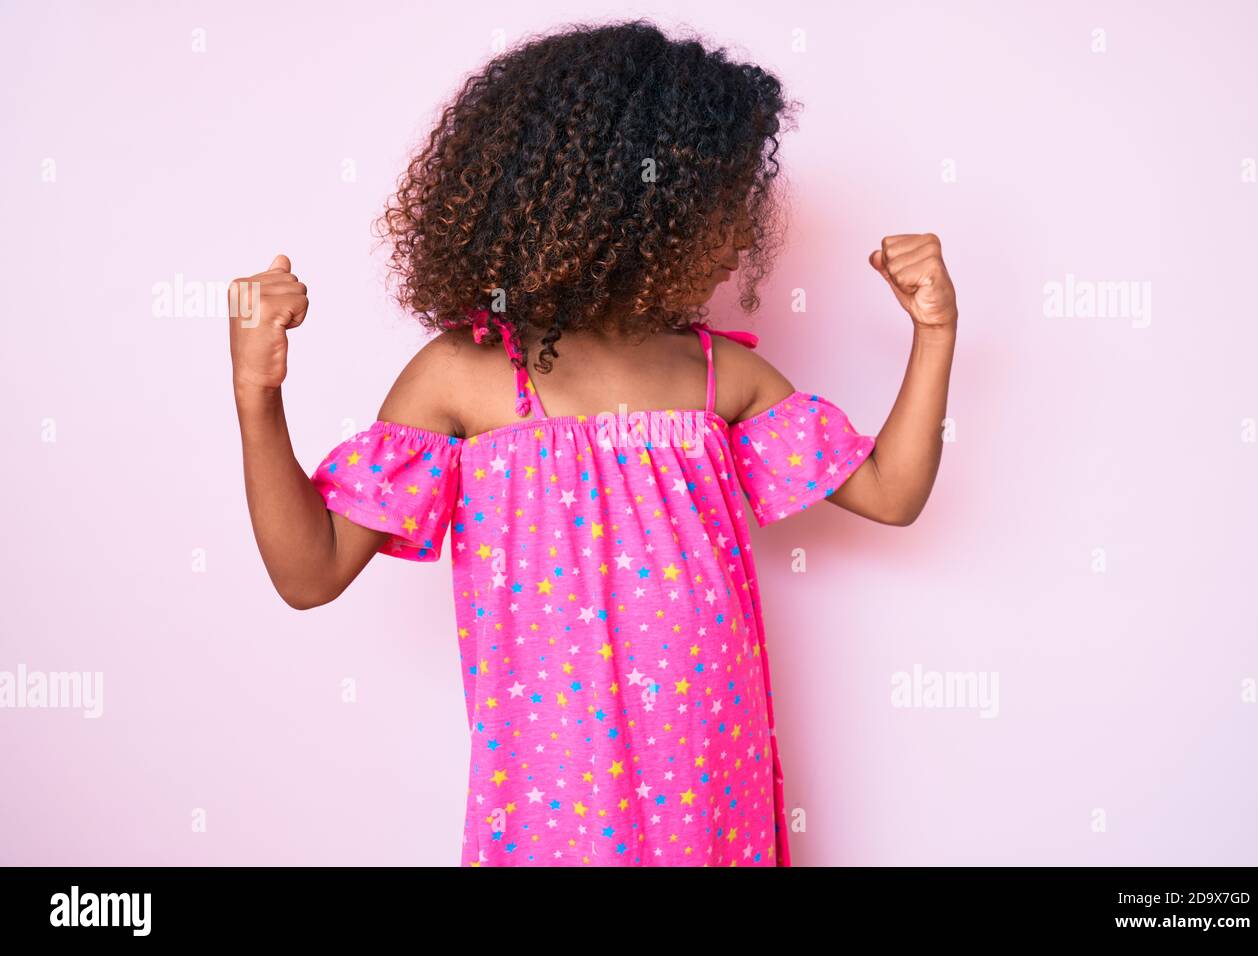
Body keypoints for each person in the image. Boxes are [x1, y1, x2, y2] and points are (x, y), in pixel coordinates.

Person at [228, 20, 957, 866]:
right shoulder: (461, 377)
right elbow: (308, 571)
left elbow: (892, 491)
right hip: (555, 810)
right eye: (721, 209)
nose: (741, 240)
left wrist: (933, 333)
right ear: (631, 208)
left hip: (714, 790)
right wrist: (258, 398)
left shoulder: (716, 376)